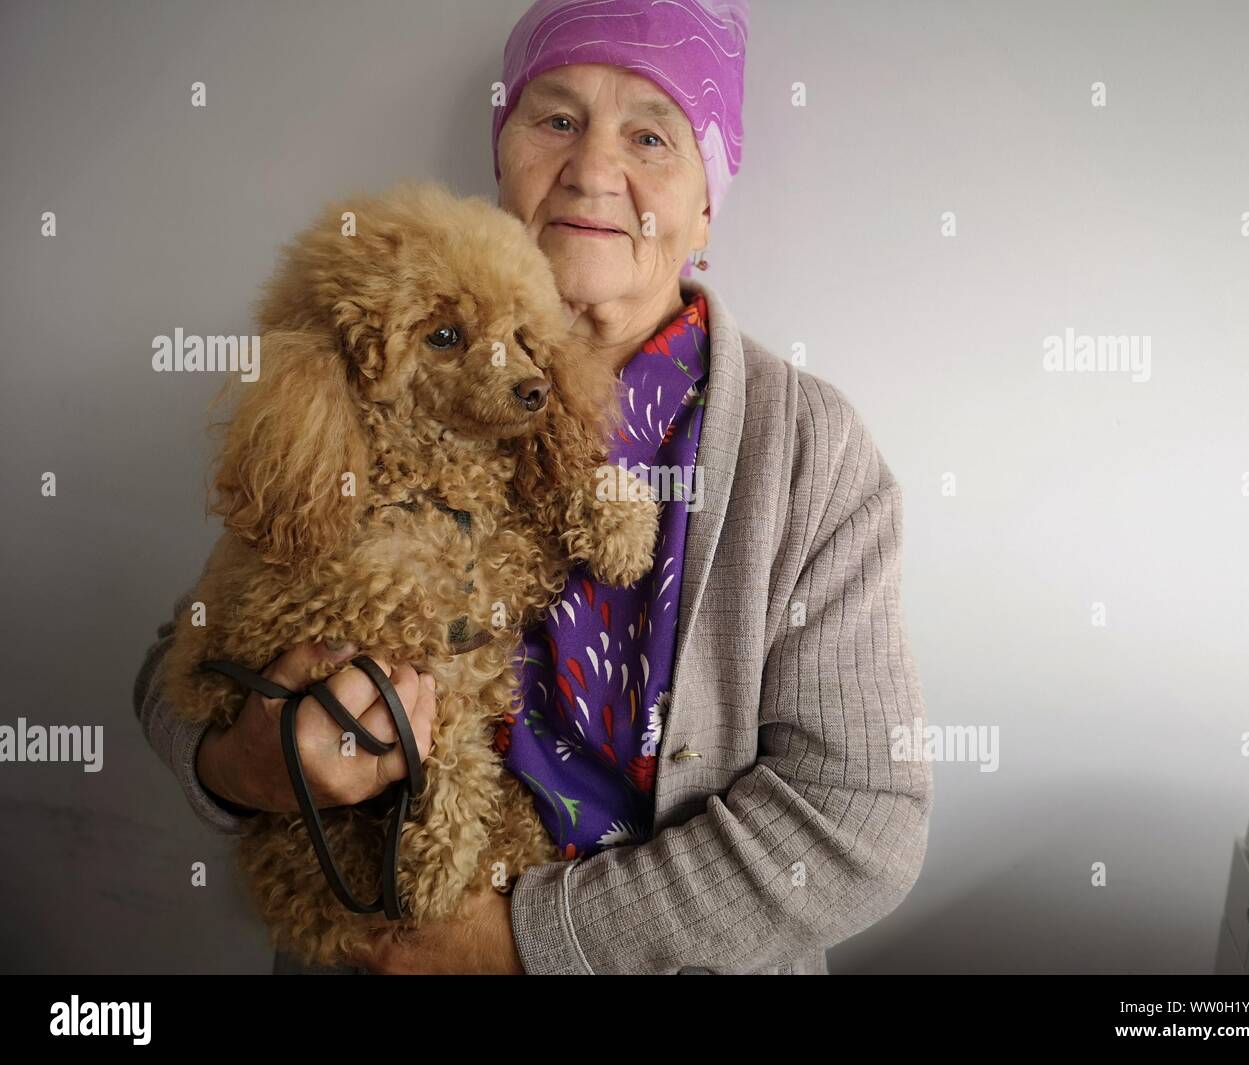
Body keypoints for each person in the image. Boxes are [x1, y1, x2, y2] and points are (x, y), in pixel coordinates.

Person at [133, 0, 933, 975]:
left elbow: (859, 820)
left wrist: (519, 944)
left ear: (706, 205)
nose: (595, 168)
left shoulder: (807, 448)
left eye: (651, 134)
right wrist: (242, 763)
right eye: (555, 119)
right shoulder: (370, 377)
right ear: (502, 158)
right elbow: (179, 662)